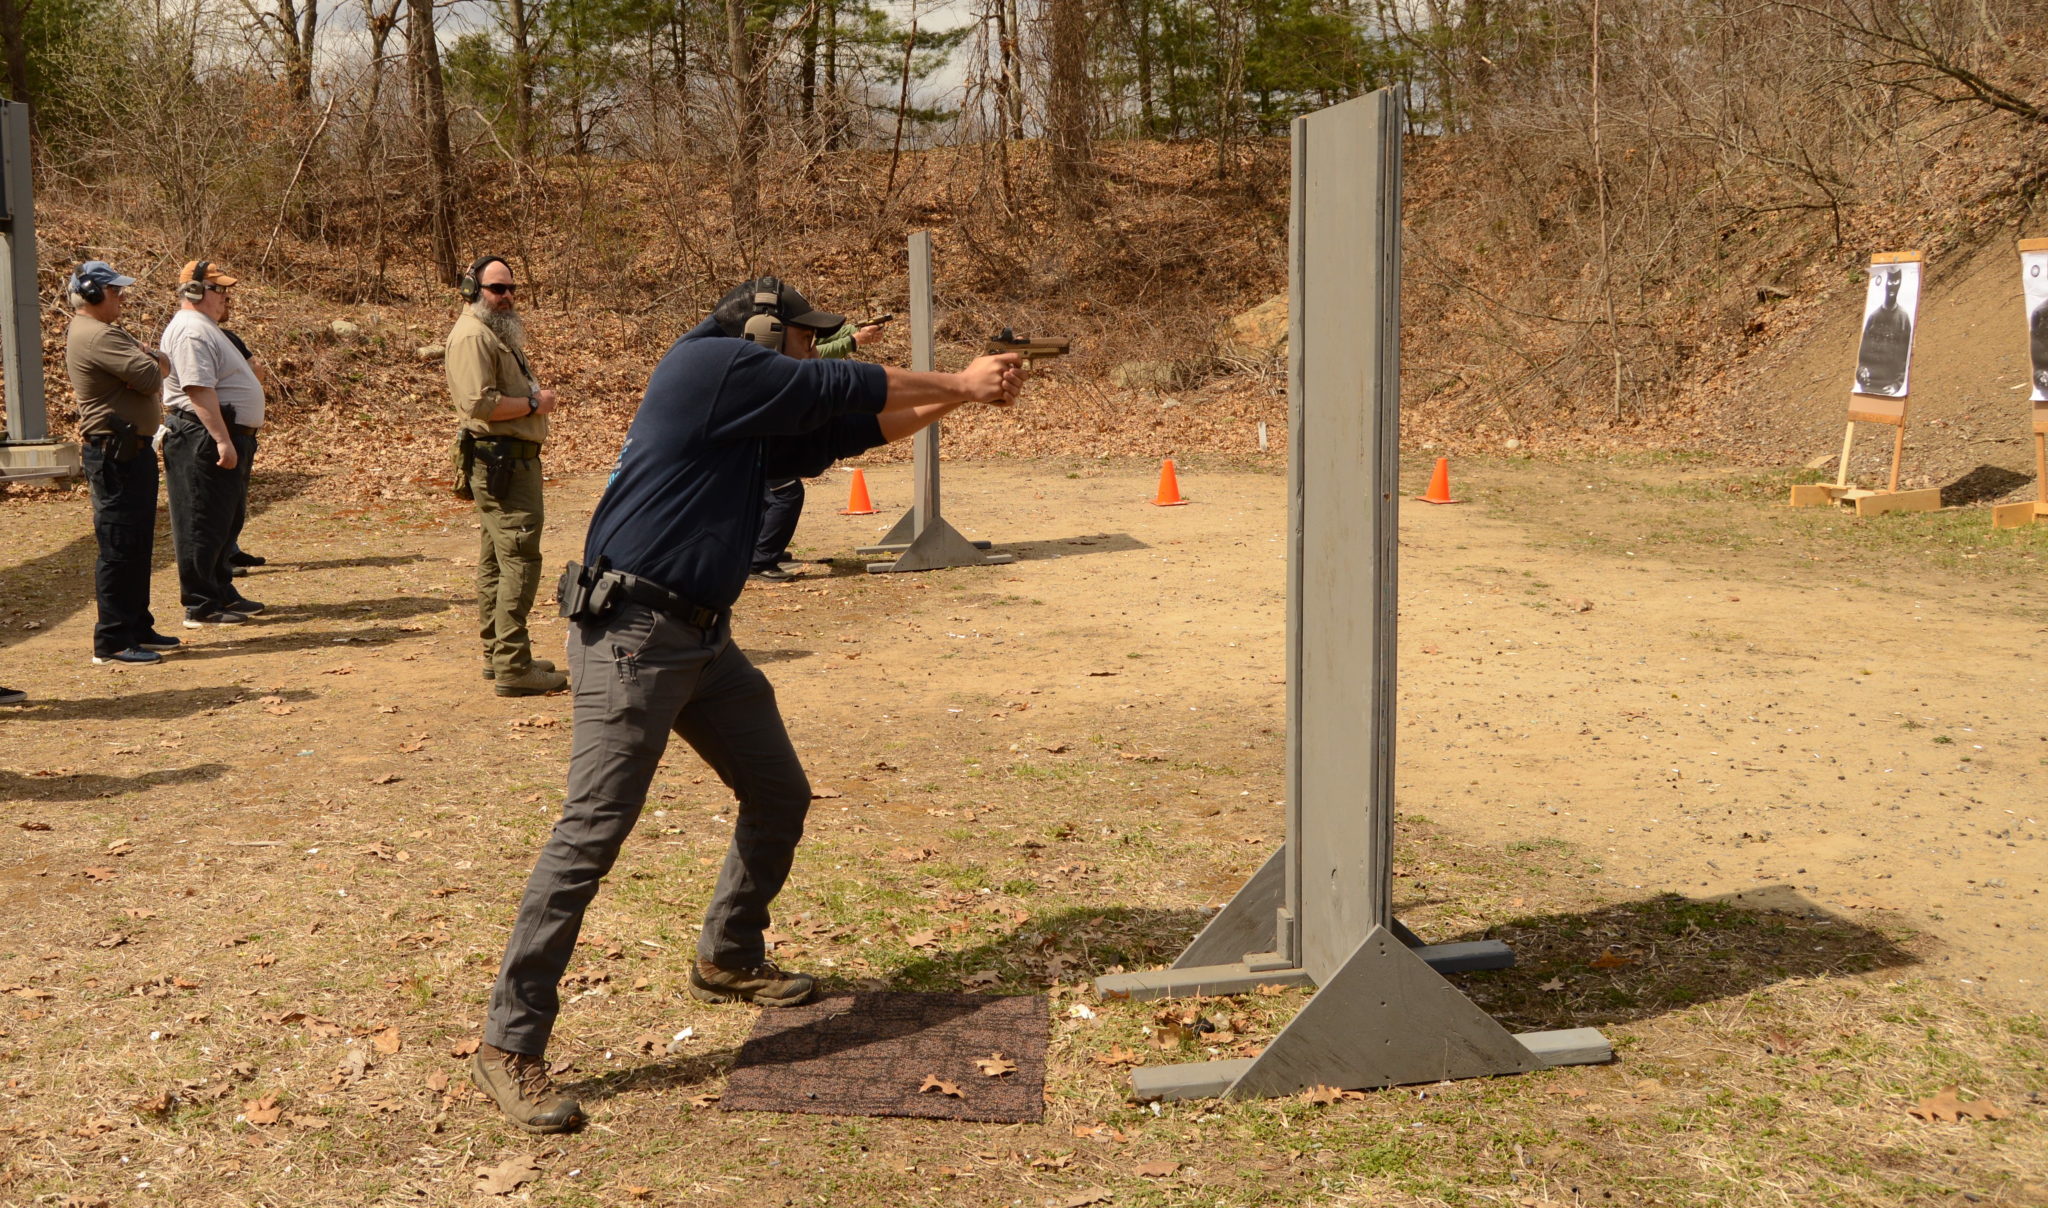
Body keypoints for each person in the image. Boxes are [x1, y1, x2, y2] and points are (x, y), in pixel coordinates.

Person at [469, 277, 1022, 1134]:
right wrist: (959, 380)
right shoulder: (707, 368)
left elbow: (850, 427)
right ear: (762, 333)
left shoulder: (737, 414)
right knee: (591, 834)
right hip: (632, 637)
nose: (812, 349)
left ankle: (728, 955)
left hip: (699, 640)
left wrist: (959, 402)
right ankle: (508, 1043)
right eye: (803, 337)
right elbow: (838, 386)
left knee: (778, 792)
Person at [445, 255, 565, 697]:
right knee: (518, 558)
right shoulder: (473, 336)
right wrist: (536, 405)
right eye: (497, 289)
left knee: (499, 559)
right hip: (504, 463)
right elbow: (480, 405)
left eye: (511, 288)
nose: (507, 296)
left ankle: (501, 655)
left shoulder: (491, 332)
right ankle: (513, 665)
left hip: (509, 461)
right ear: (472, 290)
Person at [64, 261, 179, 666]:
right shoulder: (96, 335)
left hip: (130, 449)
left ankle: (136, 625)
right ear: (93, 294)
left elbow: (152, 366)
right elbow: (151, 376)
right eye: (114, 291)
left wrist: (153, 362)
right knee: (119, 546)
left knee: (138, 542)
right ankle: (112, 640)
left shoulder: (107, 332)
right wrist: (154, 364)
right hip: (115, 452)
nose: (121, 297)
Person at [160, 260, 267, 628]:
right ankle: (201, 603)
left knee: (224, 519)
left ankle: (220, 590)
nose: (225, 297)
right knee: (201, 519)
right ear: (194, 291)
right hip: (203, 436)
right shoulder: (191, 330)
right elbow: (197, 389)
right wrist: (222, 439)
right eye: (219, 289)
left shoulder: (205, 328)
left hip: (222, 433)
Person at [749, 317, 885, 582]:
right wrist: (854, 341)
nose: (809, 345)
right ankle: (760, 560)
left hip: (764, 439)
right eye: (804, 338)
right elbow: (816, 353)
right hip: (763, 438)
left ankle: (762, 550)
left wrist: (854, 333)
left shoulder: (776, 339)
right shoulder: (778, 354)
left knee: (769, 495)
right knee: (786, 493)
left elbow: (819, 343)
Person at [218, 289, 273, 577]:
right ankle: (219, 560)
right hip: (224, 429)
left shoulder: (229, 337)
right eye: (224, 300)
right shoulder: (201, 337)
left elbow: (258, 370)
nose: (227, 305)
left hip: (244, 431)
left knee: (236, 496)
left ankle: (231, 548)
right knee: (221, 499)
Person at [1854, 268, 1912, 397]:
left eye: (1896, 281)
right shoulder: (1873, 317)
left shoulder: (1903, 318)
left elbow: (1905, 357)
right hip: (1868, 386)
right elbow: (1863, 356)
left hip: (1890, 388)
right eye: (1890, 281)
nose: (1893, 285)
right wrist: (1861, 372)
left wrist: (1897, 384)